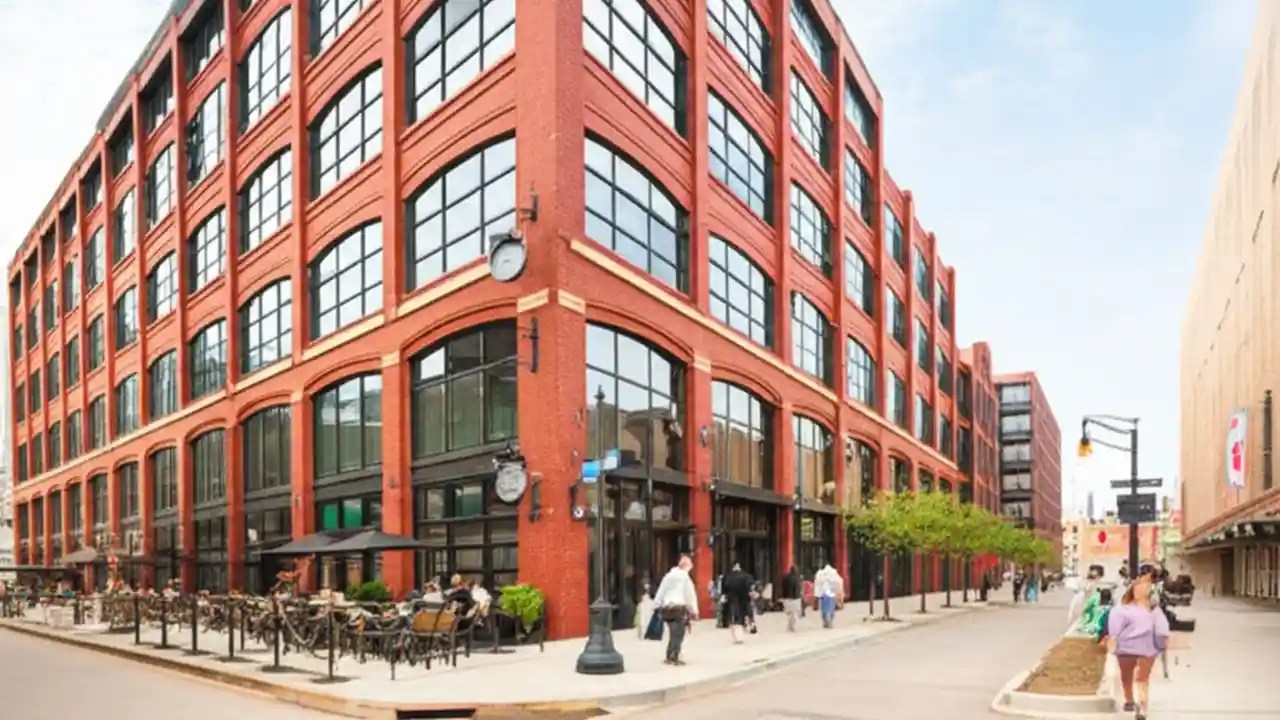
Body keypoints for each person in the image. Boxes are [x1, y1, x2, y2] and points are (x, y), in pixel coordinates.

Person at [1107, 575, 1169, 720]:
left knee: (1126, 676)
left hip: (1125, 650)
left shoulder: (1120, 610)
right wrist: (1160, 647)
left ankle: (1129, 700)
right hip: (1147, 650)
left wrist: (1112, 648)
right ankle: (1142, 706)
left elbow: (1114, 632)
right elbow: (1162, 631)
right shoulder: (1155, 612)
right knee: (1143, 679)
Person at [653, 555, 699, 665]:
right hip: (678, 608)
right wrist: (694, 610)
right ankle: (675, 655)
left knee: (672, 631)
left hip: (667, 609)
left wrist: (656, 605)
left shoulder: (668, 576)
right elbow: (690, 594)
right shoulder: (684, 577)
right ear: (686, 566)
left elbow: (661, 591)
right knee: (679, 633)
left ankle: (669, 655)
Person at [721, 563, 754, 643]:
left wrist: (724, 596)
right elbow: (750, 588)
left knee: (734, 617)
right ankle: (748, 627)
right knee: (744, 615)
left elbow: (724, 589)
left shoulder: (727, 576)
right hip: (744, 599)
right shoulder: (747, 576)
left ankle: (737, 636)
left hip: (732, 599)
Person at [814, 564, 842, 628]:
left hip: (823, 595)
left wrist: (816, 595)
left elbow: (817, 586)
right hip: (831, 595)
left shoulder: (820, 575)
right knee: (831, 610)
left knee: (824, 610)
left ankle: (826, 623)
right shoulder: (834, 575)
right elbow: (838, 584)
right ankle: (829, 622)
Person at [781, 567, 803, 632]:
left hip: (787, 598)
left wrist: (783, 597)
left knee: (790, 614)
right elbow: (798, 590)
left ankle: (790, 626)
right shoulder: (797, 579)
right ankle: (791, 627)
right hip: (795, 599)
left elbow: (783, 588)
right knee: (794, 614)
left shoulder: (785, 578)